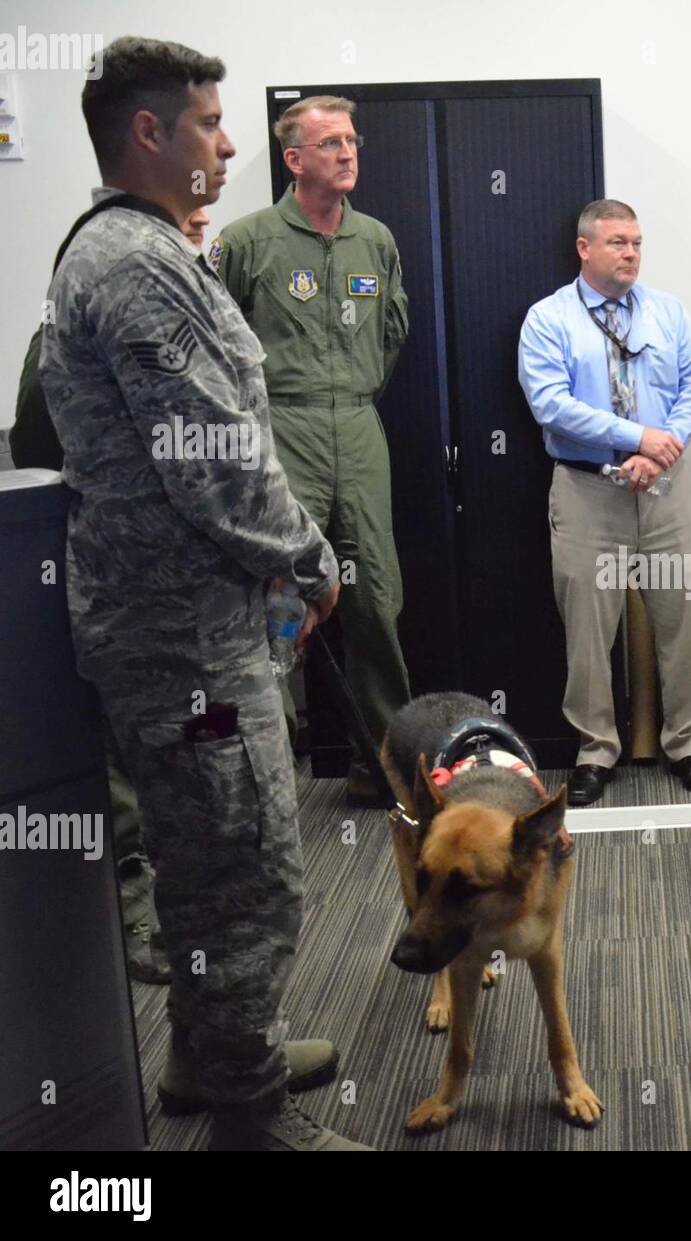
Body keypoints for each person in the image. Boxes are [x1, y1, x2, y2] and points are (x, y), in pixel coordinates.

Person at [40, 36, 364, 1150]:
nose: (230, 145)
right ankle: (250, 1110)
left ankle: (206, 1048)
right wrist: (311, 560)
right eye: (211, 123)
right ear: (149, 132)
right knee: (244, 866)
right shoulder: (136, 262)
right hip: (185, 640)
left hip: (179, 621)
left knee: (197, 852)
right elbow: (215, 460)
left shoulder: (134, 248)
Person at [12, 204, 210, 987]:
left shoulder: (192, 324)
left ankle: (181, 921)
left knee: (197, 756)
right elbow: (38, 449)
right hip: (122, 582)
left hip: (191, 597)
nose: (193, 244)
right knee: (129, 765)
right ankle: (133, 917)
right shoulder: (73, 331)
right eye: (183, 231)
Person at [211, 95, 411, 808]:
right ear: (294, 159)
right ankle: (267, 770)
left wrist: (350, 400)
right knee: (281, 600)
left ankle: (381, 762)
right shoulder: (247, 240)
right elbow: (215, 351)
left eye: (352, 140)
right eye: (330, 143)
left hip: (357, 427)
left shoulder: (375, 241)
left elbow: (390, 336)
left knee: (375, 600)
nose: (347, 152)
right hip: (281, 429)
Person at [518, 199, 691, 805]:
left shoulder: (668, 313)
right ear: (585, 248)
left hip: (667, 487)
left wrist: (660, 449)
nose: (630, 253)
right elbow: (550, 404)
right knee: (587, 628)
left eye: (636, 242)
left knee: (683, 619)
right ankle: (595, 750)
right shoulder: (549, 319)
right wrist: (635, 438)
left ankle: (686, 744)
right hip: (588, 492)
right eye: (617, 243)